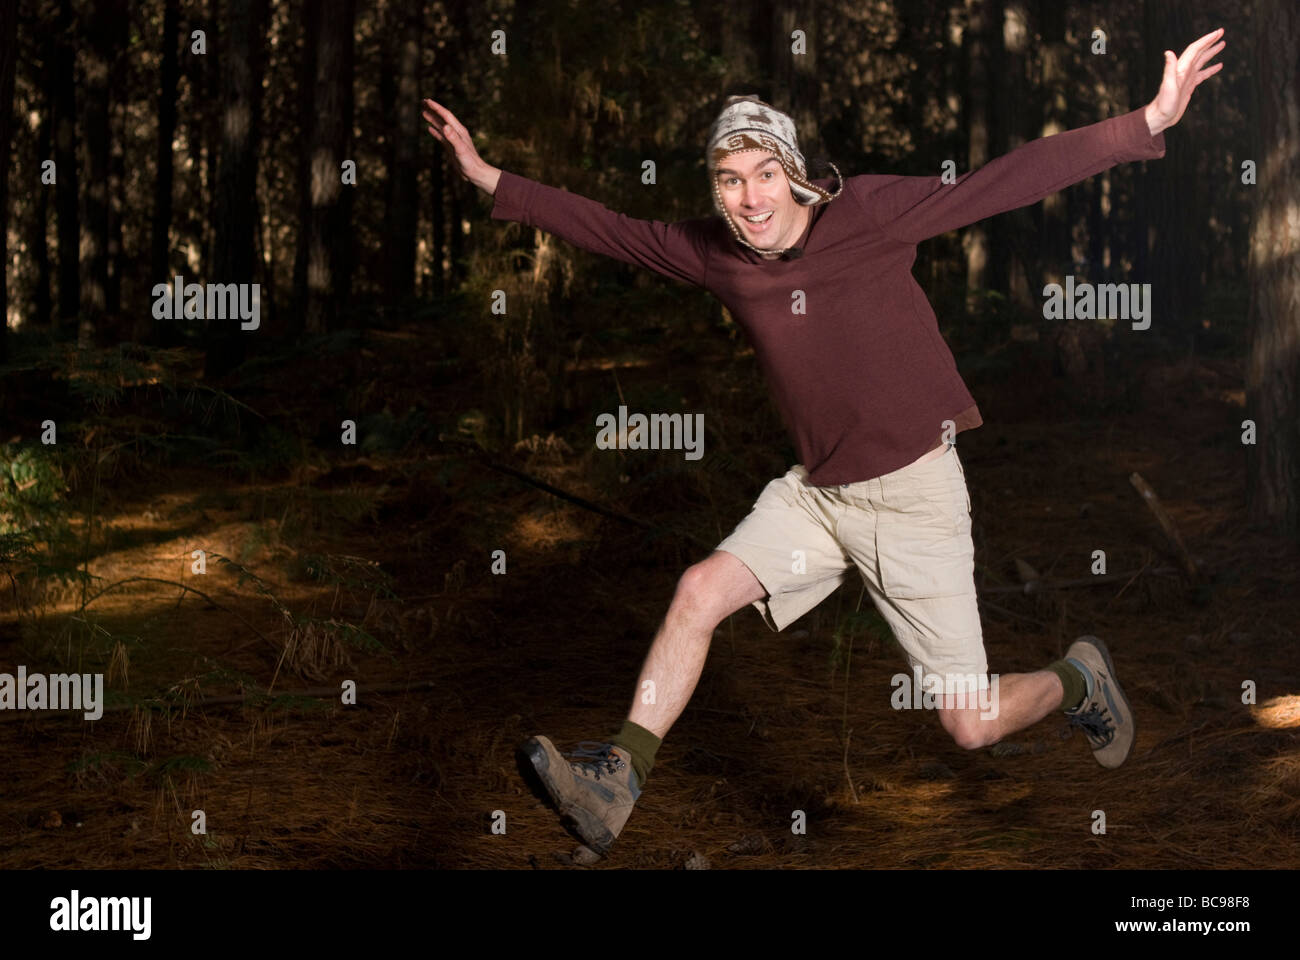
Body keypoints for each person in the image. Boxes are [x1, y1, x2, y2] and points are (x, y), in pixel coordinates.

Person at [422, 27, 1225, 857]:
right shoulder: (716, 254)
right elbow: (609, 228)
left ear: (795, 173)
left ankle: (1079, 679)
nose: (750, 198)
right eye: (730, 181)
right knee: (698, 592)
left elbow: (1002, 182)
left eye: (765, 174)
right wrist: (492, 179)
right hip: (819, 493)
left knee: (971, 723)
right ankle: (617, 778)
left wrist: (1144, 123)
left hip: (915, 496)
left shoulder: (869, 213)